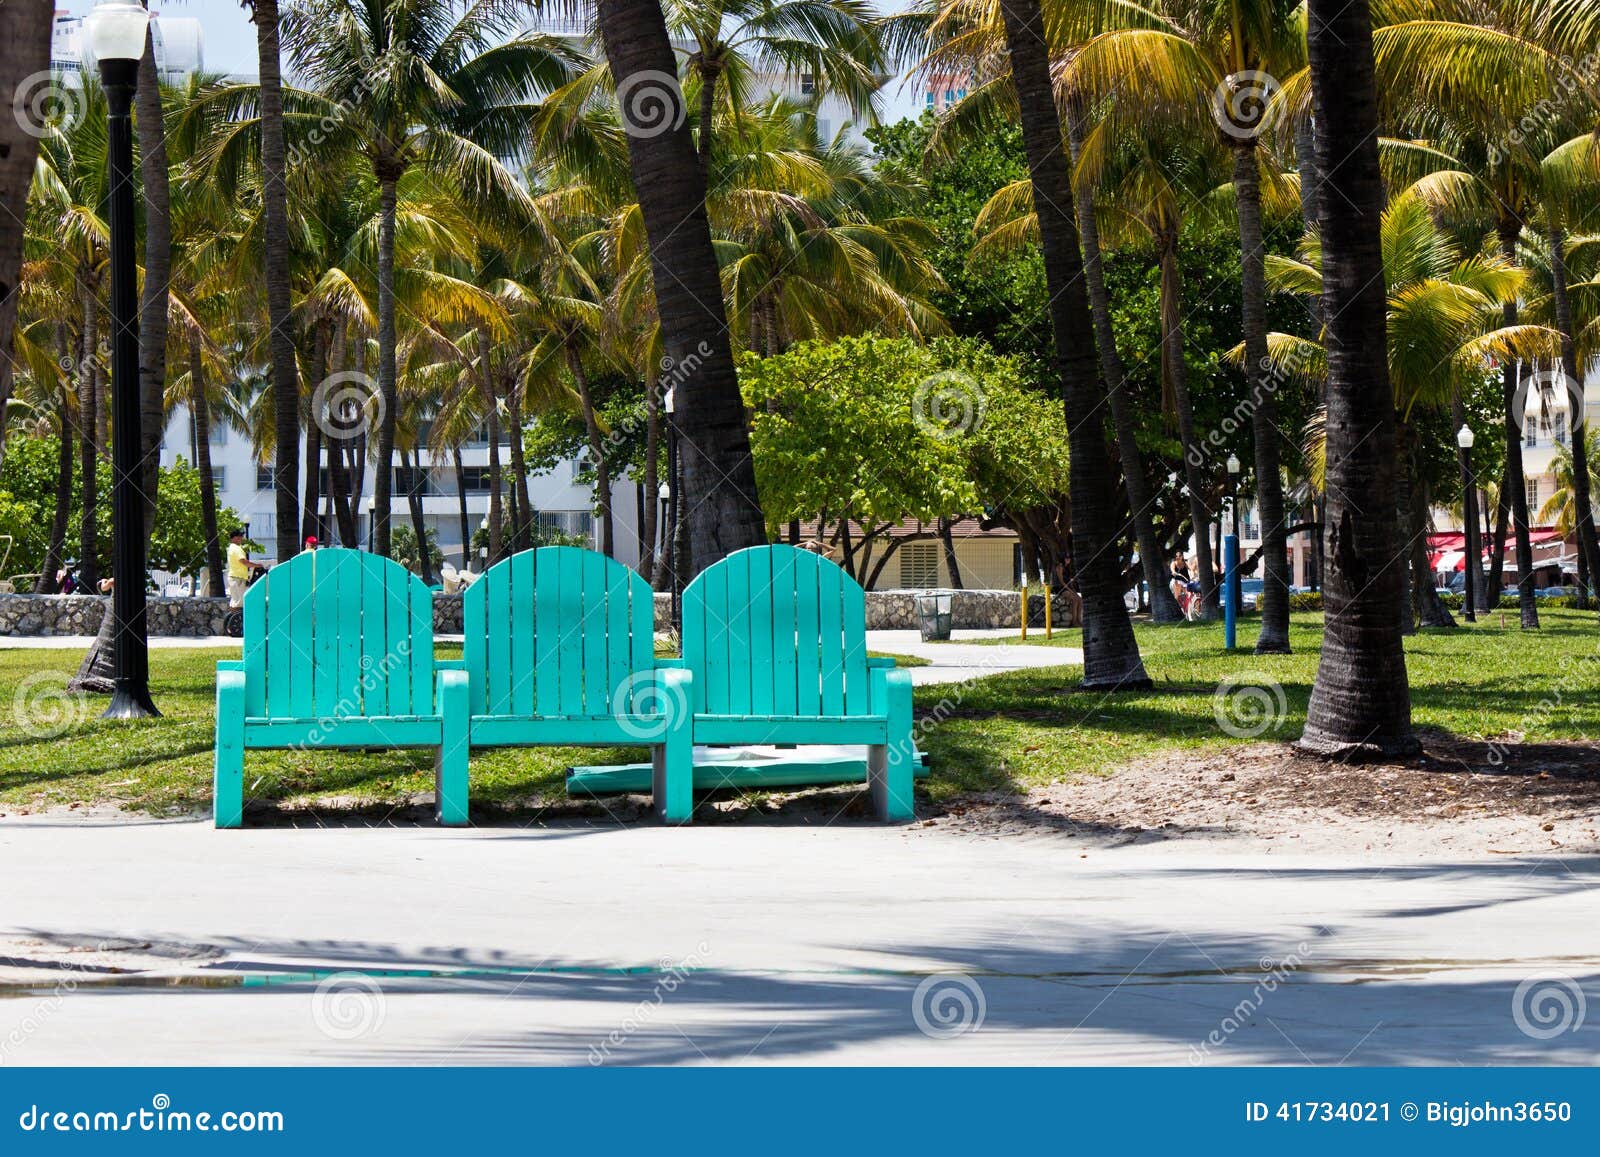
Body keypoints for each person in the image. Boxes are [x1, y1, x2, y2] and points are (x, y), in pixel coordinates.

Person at [226, 530, 264, 608]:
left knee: (235, 600)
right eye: (240, 537)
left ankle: (233, 618)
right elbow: (243, 561)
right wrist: (257, 565)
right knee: (240, 602)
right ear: (235, 537)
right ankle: (238, 618)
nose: (241, 539)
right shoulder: (237, 548)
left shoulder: (231, 547)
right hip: (238, 578)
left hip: (234, 577)